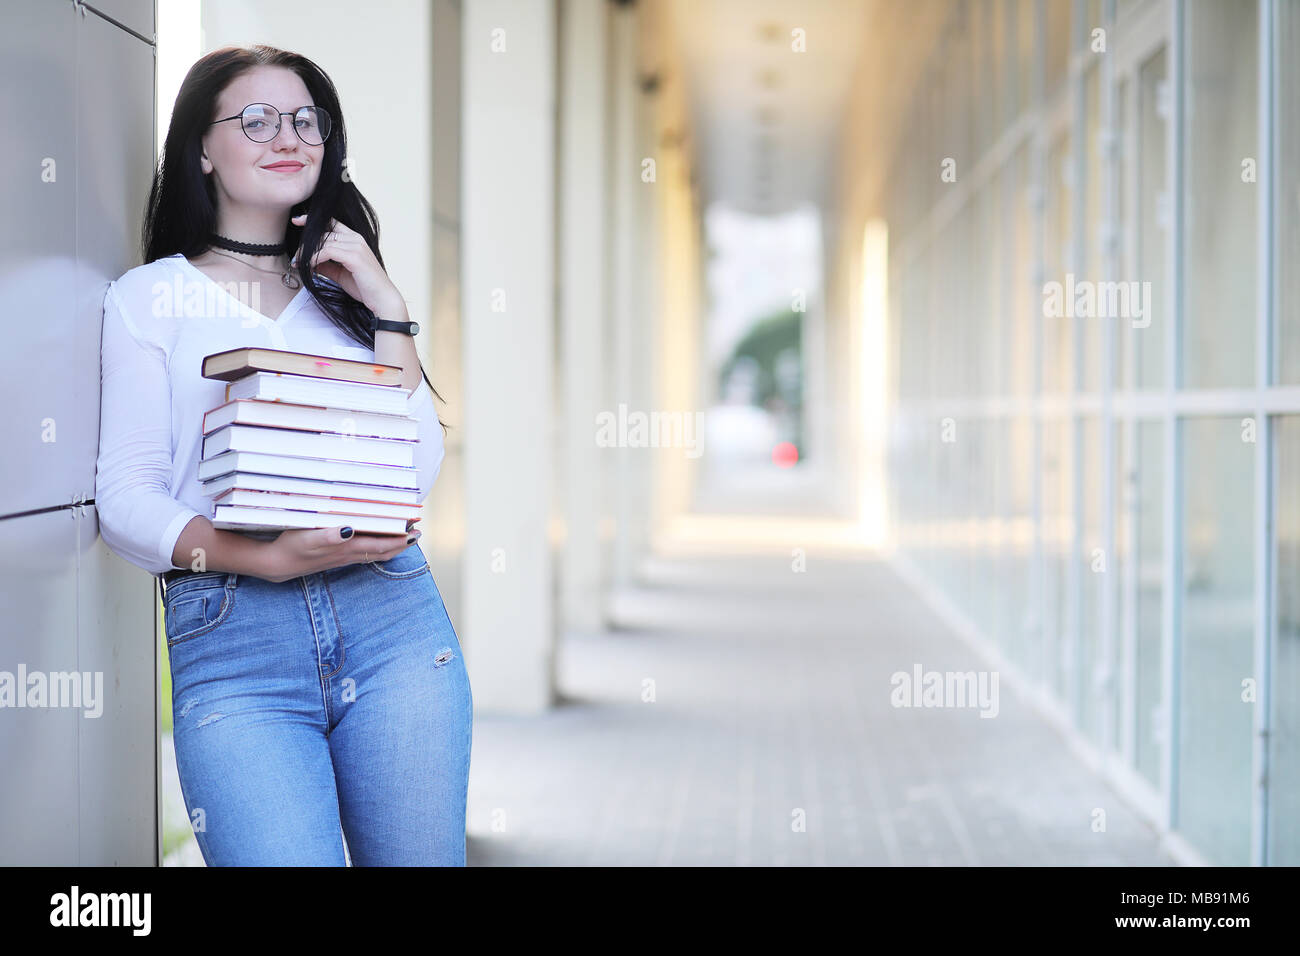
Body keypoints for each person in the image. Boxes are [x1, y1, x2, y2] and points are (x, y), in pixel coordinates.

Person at [94, 44, 472, 866]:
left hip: (394, 625)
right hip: (235, 637)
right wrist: (259, 562)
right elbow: (126, 498)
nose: (287, 135)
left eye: (306, 119)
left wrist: (387, 304)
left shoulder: (348, 297)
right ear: (201, 146)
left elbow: (411, 470)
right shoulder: (151, 298)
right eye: (255, 119)